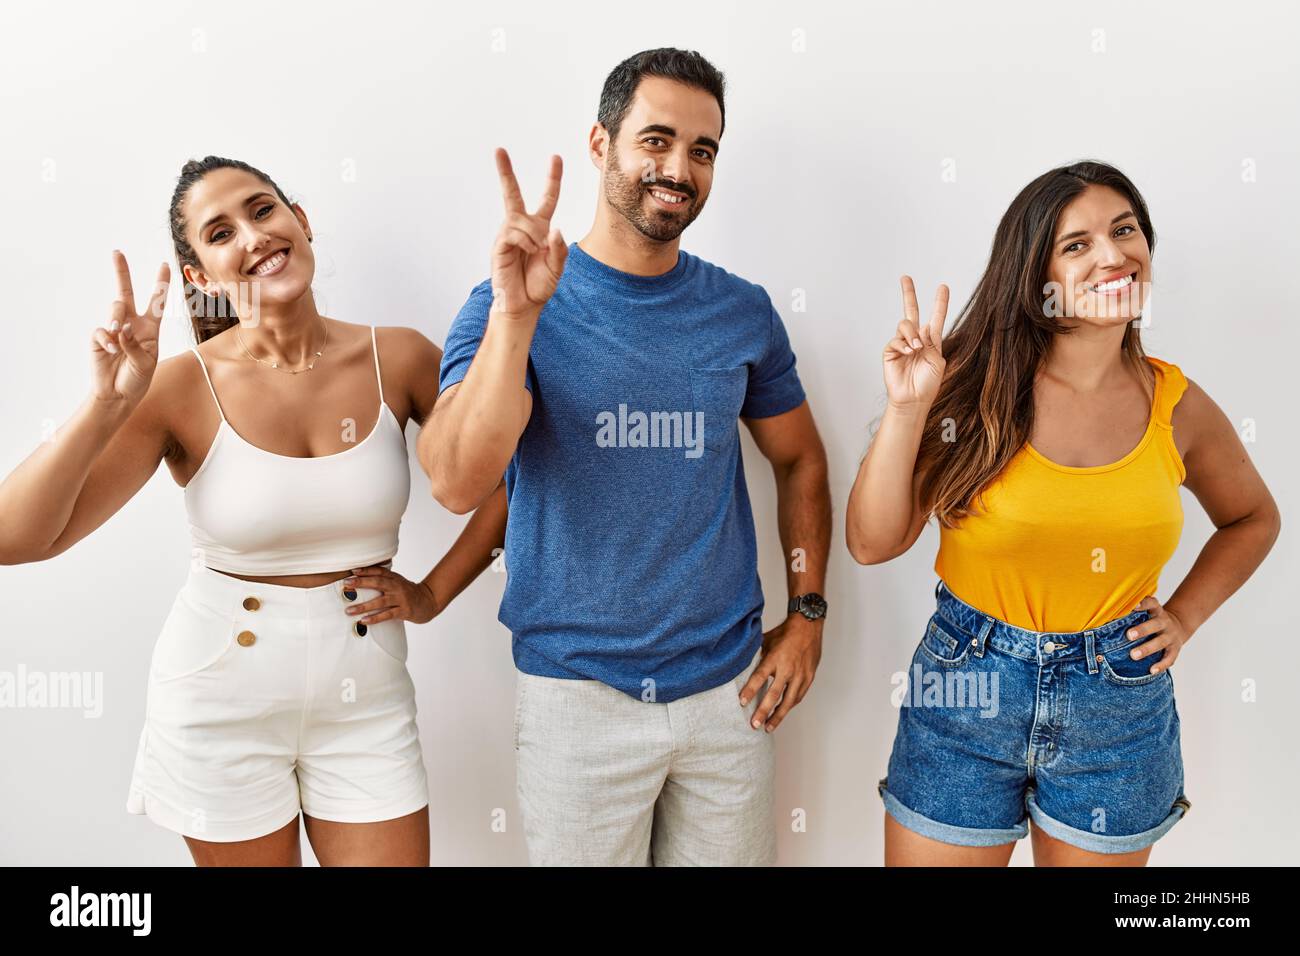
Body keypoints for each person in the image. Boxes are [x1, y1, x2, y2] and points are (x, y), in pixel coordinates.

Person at [0, 156, 508, 866]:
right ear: (201, 277)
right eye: (219, 231)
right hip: (219, 704)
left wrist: (430, 595)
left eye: (262, 209)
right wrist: (106, 406)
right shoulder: (177, 387)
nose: (252, 235)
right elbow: (19, 538)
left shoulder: (399, 357)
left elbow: (506, 480)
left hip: (366, 701)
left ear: (301, 221)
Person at [419, 49, 832, 866]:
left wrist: (809, 615)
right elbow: (454, 479)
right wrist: (516, 318)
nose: (678, 169)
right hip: (577, 699)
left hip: (730, 693)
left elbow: (802, 464)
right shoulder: (505, 305)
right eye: (656, 140)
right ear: (601, 144)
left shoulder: (742, 312)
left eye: (703, 150)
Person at [846, 160, 1281, 866]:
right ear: (1035, 274)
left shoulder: (1180, 406)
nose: (1113, 254)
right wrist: (907, 409)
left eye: (1124, 230)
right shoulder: (964, 385)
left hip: (1118, 705)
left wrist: (1186, 616)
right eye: (1076, 244)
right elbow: (871, 543)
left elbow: (1253, 518)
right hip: (968, 685)